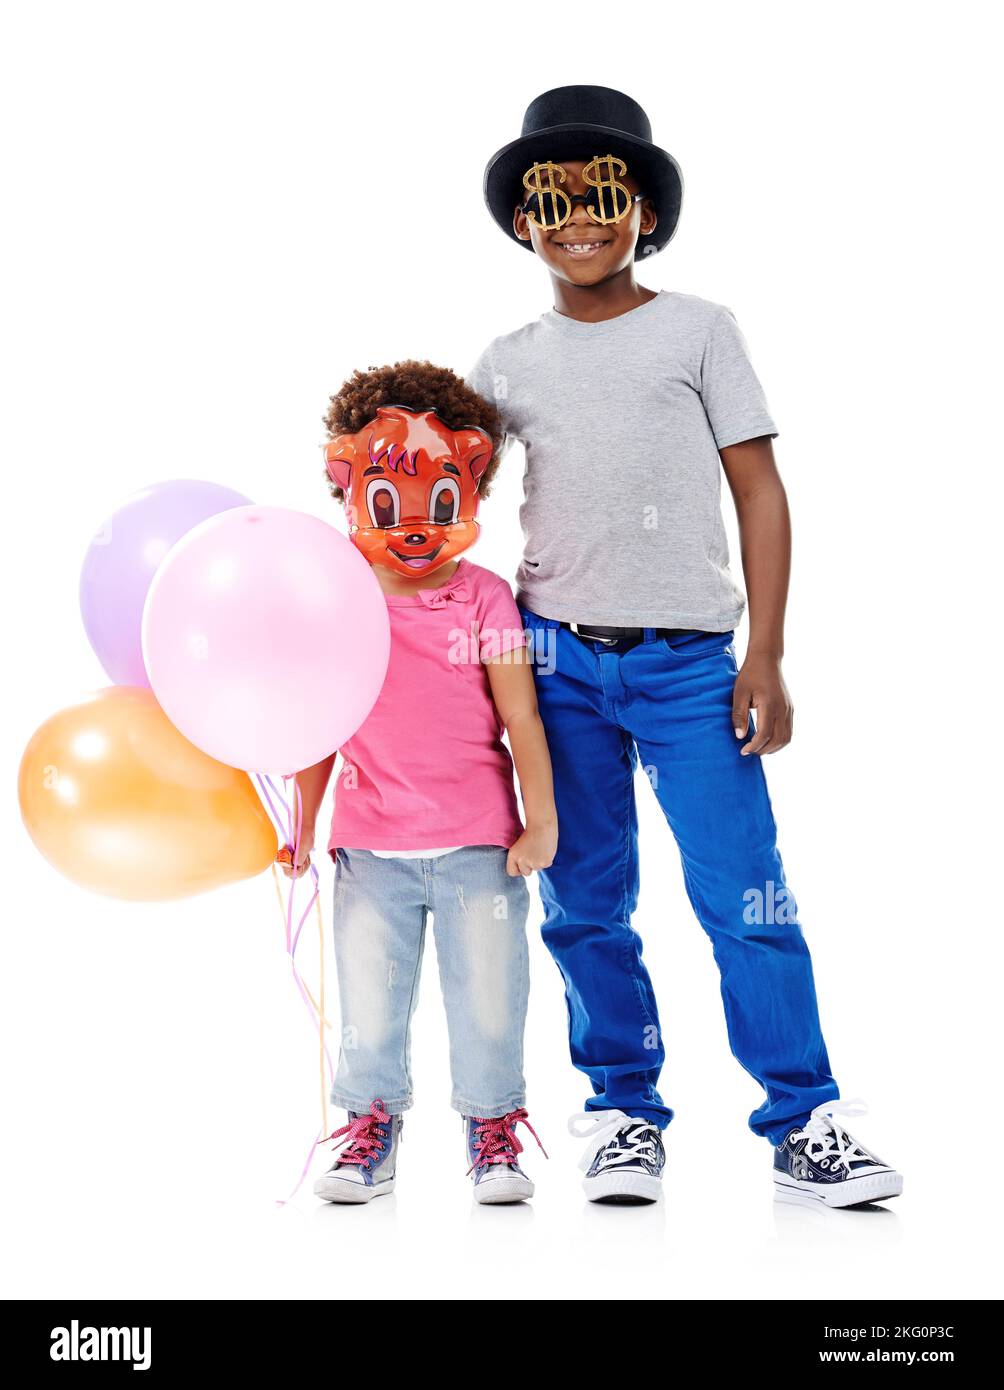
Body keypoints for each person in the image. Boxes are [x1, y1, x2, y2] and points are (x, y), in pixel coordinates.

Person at [467, 84, 903, 1207]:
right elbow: (443, 497)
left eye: (600, 195)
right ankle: (620, 1108)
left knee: (745, 892)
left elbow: (757, 488)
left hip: (685, 666)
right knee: (583, 897)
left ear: (642, 214)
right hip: (554, 663)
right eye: (548, 199)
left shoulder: (698, 329)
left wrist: (765, 653)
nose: (576, 217)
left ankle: (802, 1116)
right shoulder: (505, 360)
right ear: (524, 221)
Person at [284, 361, 556, 1205]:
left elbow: (521, 717)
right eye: (387, 501)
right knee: (370, 1003)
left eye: (438, 501)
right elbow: (316, 728)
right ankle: (370, 1129)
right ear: (349, 488)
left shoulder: (484, 598)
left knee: (490, 999)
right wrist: (301, 822)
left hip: (480, 843)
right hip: (371, 848)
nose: (412, 526)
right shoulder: (339, 598)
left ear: (470, 481)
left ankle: (493, 1127)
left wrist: (537, 819)